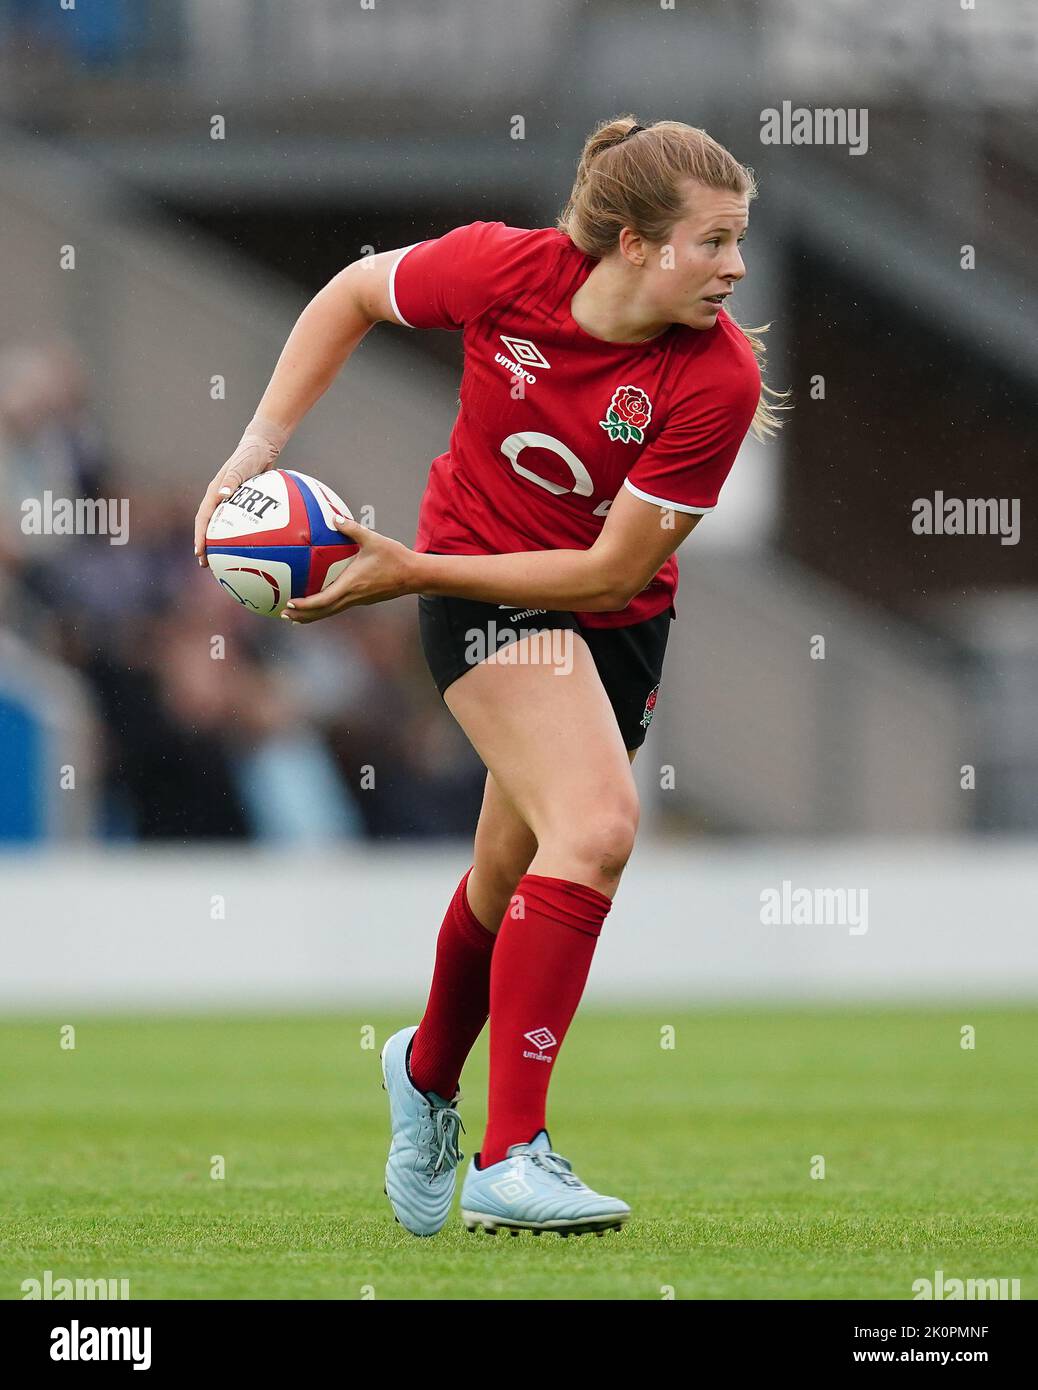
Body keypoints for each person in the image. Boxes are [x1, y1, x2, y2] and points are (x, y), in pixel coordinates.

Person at [193, 115, 788, 1239]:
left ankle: (422, 1072)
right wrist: (259, 447)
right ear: (630, 242)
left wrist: (398, 569)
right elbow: (353, 295)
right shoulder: (504, 269)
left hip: (610, 621)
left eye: (738, 240)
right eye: (712, 242)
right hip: (477, 593)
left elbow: (617, 565)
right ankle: (515, 1154)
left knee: (505, 874)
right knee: (602, 826)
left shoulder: (717, 380)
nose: (736, 267)